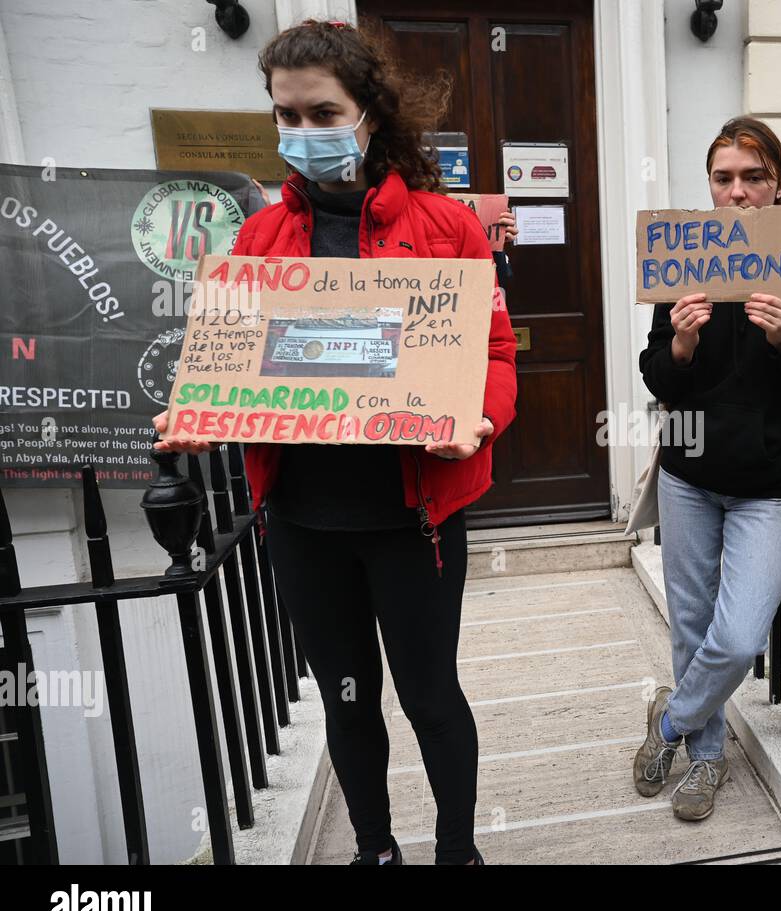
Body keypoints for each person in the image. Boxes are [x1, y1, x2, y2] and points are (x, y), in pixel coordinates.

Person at [153, 19, 517, 866]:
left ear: (368, 116)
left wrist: (481, 418)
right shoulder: (259, 240)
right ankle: (375, 850)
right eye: (286, 117)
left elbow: (494, 355)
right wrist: (196, 415)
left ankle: (459, 852)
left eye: (323, 115)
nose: (302, 135)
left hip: (411, 517)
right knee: (347, 703)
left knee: (430, 696)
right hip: (305, 523)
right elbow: (232, 368)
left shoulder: (446, 229)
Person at [635, 116, 781, 821]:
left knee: (737, 637)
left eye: (752, 177)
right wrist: (678, 346)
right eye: (723, 177)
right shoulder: (687, 259)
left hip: (770, 487)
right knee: (692, 626)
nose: (737, 192)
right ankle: (704, 757)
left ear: (780, 183)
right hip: (690, 478)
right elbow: (657, 378)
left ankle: (670, 720)